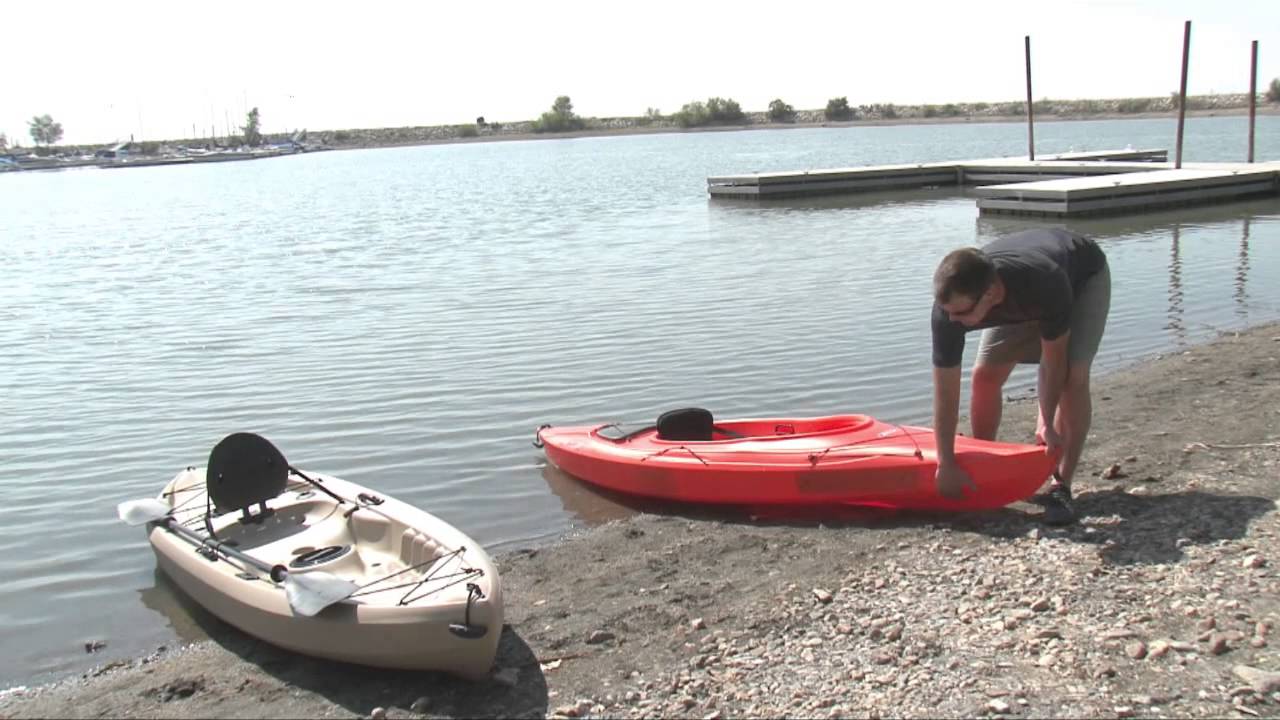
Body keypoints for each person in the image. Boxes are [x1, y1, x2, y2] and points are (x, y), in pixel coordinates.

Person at [930, 227, 1110, 524]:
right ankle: (984, 461)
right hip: (1019, 297)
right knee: (985, 376)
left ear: (989, 295)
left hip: (1081, 277)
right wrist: (946, 462)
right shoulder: (948, 312)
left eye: (960, 314)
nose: (952, 321)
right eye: (947, 312)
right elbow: (946, 393)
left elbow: (1053, 361)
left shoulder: (1044, 280)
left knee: (1073, 380)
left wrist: (1047, 420)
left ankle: (1061, 485)